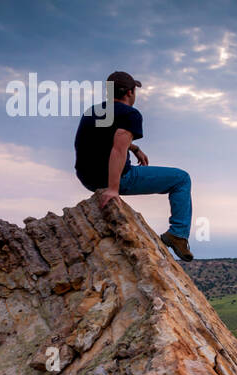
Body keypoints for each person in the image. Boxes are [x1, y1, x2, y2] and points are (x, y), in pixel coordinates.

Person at [73, 71, 194, 261]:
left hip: (87, 178)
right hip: (118, 178)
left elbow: (103, 138)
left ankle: (177, 234)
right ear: (130, 92)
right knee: (181, 179)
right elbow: (117, 149)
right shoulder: (130, 114)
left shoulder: (93, 111)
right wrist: (113, 189)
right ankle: (177, 234)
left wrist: (135, 148)